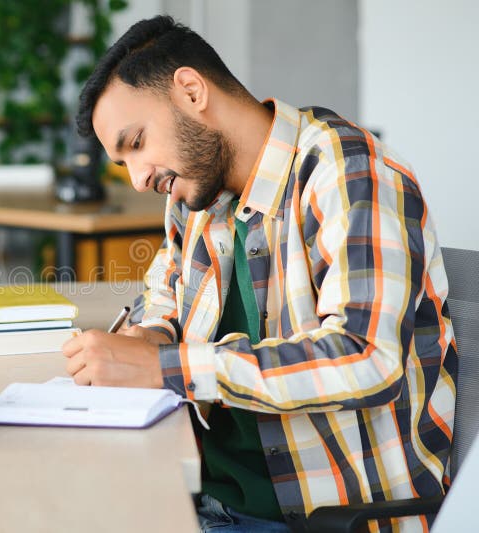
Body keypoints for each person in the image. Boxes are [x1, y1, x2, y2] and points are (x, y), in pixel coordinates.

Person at [62, 15, 457, 533]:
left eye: (135, 143)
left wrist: (165, 366)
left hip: (321, 517)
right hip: (200, 498)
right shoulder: (198, 193)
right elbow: (164, 287)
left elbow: (367, 358)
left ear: (190, 91)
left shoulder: (347, 170)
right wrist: (152, 333)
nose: (138, 180)